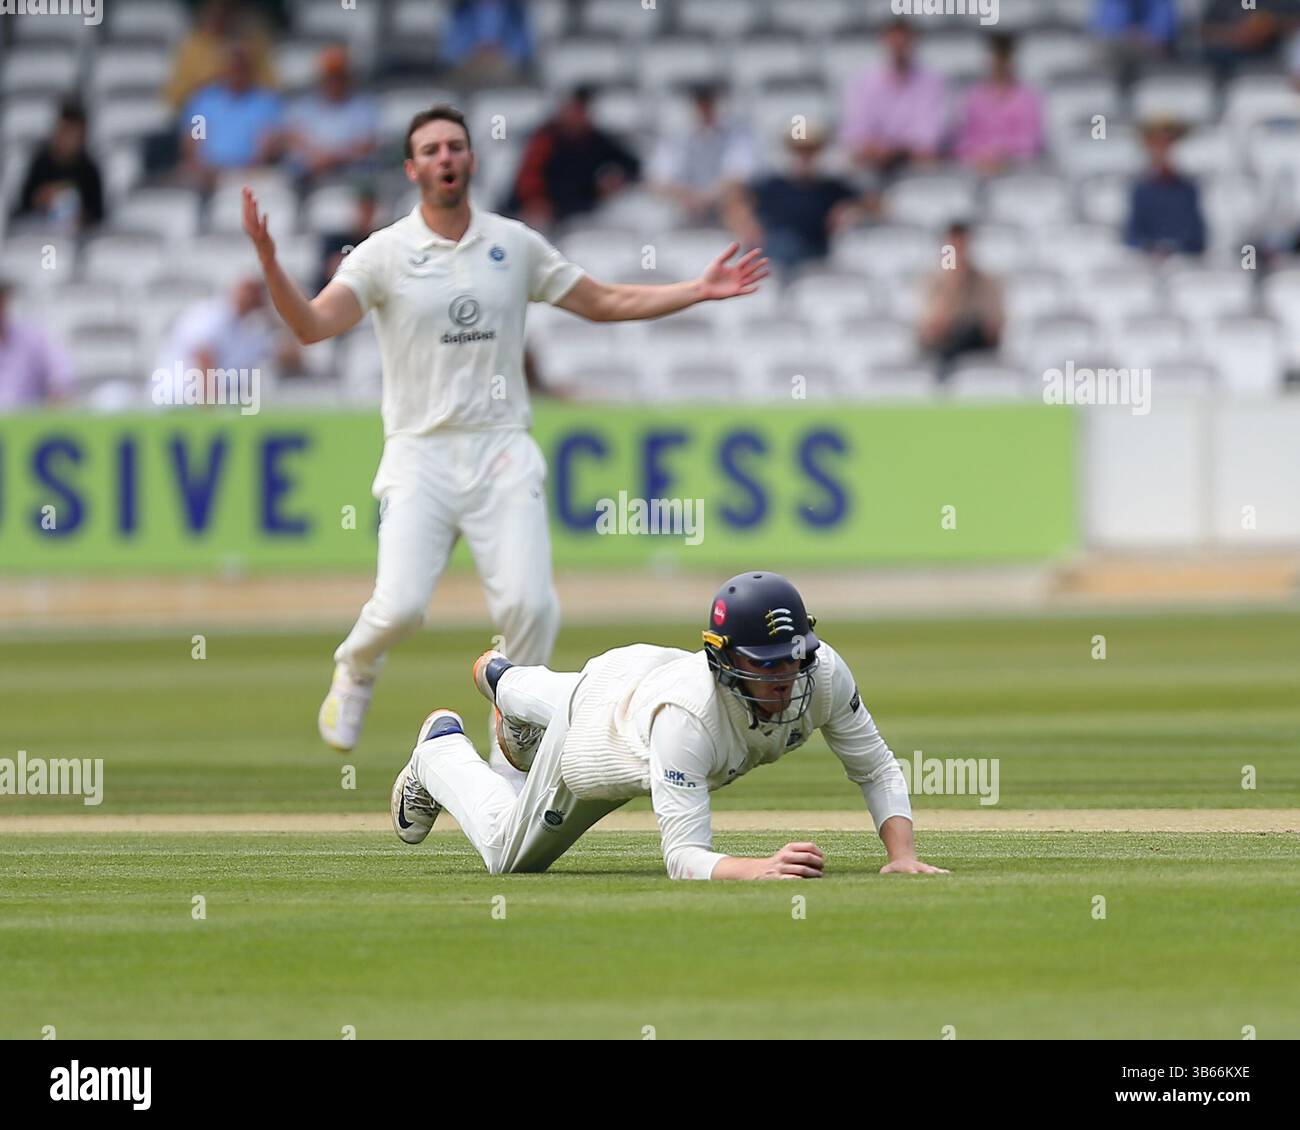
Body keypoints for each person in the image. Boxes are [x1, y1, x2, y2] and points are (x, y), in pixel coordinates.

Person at [239, 104, 769, 767]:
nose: (445, 158)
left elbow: (600, 301)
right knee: (400, 607)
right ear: (412, 168)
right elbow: (314, 326)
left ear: (471, 159)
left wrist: (697, 288)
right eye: (430, 150)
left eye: (455, 147)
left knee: (531, 606)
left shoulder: (512, 244)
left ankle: (512, 733)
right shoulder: (384, 254)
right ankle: (356, 668)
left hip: (501, 446)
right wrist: (269, 261)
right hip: (419, 452)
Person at [389, 571, 950, 880]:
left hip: (640, 672)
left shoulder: (822, 672)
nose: (785, 677)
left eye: (793, 657)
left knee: (579, 691)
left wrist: (900, 854)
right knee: (508, 858)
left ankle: (506, 683)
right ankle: (441, 751)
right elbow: (682, 858)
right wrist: (757, 868)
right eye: (765, 662)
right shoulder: (687, 720)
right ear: (725, 661)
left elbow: (875, 766)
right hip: (600, 749)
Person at [723, 128, 872, 277]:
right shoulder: (772, 185)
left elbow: (872, 202)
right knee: (783, 246)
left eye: (809, 151)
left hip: (815, 251)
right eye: (799, 151)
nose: (804, 157)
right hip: (774, 249)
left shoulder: (831, 187)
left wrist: (850, 209)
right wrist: (747, 222)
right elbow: (736, 197)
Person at [503, 85, 641, 231]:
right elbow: (529, 176)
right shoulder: (544, 139)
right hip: (537, 210)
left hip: (579, 211)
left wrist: (615, 178)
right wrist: (535, 201)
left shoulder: (595, 140)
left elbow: (632, 164)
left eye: (580, 111)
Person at [151, 276, 301, 407]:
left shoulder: (252, 329)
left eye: (257, 293)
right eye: (249, 290)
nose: (251, 296)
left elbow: (291, 357)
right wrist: (211, 411)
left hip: (213, 403)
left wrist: (273, 315)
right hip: (178, 400)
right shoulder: (209, 315)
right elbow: (203, 362)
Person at [840, 18, 947, 177]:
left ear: (914, 42)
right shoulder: (865, 82)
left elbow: (929, 138)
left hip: (914, 166)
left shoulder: (932, 82)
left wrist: (893, 150)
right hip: (873, 164)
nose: (899, 46)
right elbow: (855, 132)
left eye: (904, 41)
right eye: (894, 41)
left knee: (928, 160)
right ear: (884, 41)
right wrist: (878, 149)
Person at [648, 83, 757, 224]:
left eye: (708, 103)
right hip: (681, 206)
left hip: (723, 205)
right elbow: (659, 180)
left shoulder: (738, 134)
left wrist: (705, 199)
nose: (704, 108)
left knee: (741, 204)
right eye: (700, 103)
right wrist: (690, 197)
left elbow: (739, 177)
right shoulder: (674, 135)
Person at [180, 41, 283, 188]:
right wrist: (204, 169)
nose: (236, 71)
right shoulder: (204, 101)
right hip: (208, 173)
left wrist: (241, 171)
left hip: (249, 172)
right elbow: (195, 141)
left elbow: (266, 146)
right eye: (232, 66)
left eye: (241, 66)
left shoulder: (265, 102)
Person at [282, 46, 379, 187]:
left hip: (349, 176)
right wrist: (316, 156)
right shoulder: (304, 107)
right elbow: (292, 137)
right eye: (329, 77)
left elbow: (366, 143)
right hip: (310, 177)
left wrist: (333, 158)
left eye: (338, 76)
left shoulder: (363, 107)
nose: (333, 82)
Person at [918, 222, 1004, 375]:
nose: (958, 253)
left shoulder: (987, 282)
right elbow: (931, 331)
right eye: (953, 249)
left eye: (962, 247)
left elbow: (993, 332)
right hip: (941, 352)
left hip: (977, 349)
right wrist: (952, 284)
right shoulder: (931, 283)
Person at [953, 34, 1043, 174]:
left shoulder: (1027, 97)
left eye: (1004, 57)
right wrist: (981, 158)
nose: (999, 63)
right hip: (977, 168)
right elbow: (963, 141)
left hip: (1015, 170)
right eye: (996, 57)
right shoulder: (973, 97)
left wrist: (1002, 157)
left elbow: (1029, 143)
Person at [164, 0, 276, 112]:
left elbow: (270, 89)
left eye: (226, 8)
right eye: (214, 9)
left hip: (250, 114)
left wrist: (241, 78)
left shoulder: (253, 42)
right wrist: (213, 81)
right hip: (203, 114)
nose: (220, 14)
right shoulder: (192, 46)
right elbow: (175, 97)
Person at [12, 100, 105, 233]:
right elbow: (22, 207)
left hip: (78, 237)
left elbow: (99, 215)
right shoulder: (40, 163)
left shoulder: (89, 170)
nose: (68, 139)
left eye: (73, 134)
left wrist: (78, 213)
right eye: (64, 131)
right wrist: (41, 198)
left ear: (82, 136)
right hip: (39, 234)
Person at [1123, 118, 1206, 257]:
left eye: (1167, 144)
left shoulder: (1188, 190)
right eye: (1157, 144)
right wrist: (1151, 248)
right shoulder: (1140, 191)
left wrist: (1174, 249)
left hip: (1183, 262)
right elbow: (1132, 236)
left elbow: (1197, 238)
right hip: (1148, 263)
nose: (1162, 151)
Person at [0, 278, 74, 411]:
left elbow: (62, 380)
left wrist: (57, 396)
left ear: (5, 300)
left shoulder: (35, 338)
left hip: (27, 426)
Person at [441, 0, 534, 83]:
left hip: (506, 73)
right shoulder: (461, 11)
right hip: (467, 73)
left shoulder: (516, 13)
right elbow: (451, 55)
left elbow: (522, 53)